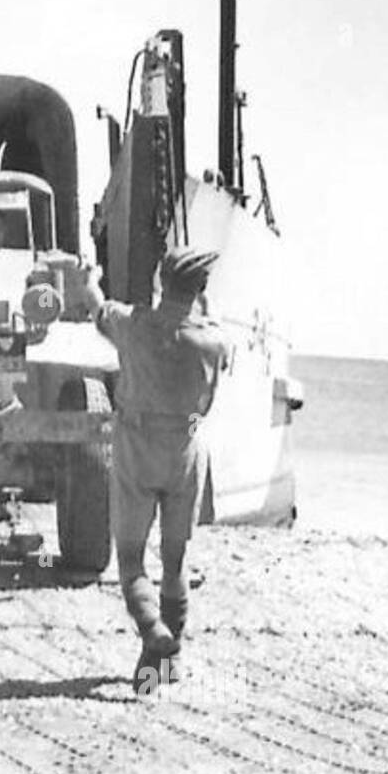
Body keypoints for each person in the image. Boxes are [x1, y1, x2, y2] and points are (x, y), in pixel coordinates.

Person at [96, 246, 231, 695]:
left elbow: (97, 310)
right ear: (202, 289)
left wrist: (86, 281)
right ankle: (161, 667)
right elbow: (212, 349)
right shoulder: (214, 341)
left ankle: (153, 630)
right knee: (175, 561)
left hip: (137, 447)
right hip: (185, 451)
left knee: (131, 559)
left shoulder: (135, 326)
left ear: (160, 279)